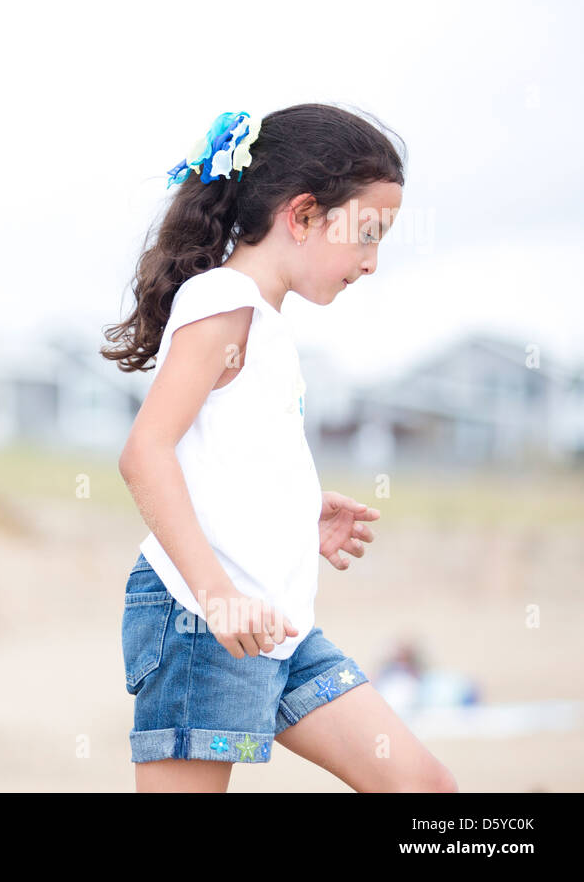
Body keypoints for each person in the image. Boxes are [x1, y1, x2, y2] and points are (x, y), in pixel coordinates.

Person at [105, 104, 456, 793]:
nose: (373, 263)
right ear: (301, 215)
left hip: (280, 624)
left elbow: (225, 454)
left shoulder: (263, 321)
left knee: (424, 788)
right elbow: (145, 452)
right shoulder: (223, 302)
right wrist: (217, 596)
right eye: (367, 234)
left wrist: (296, 513)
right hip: (201, 619)